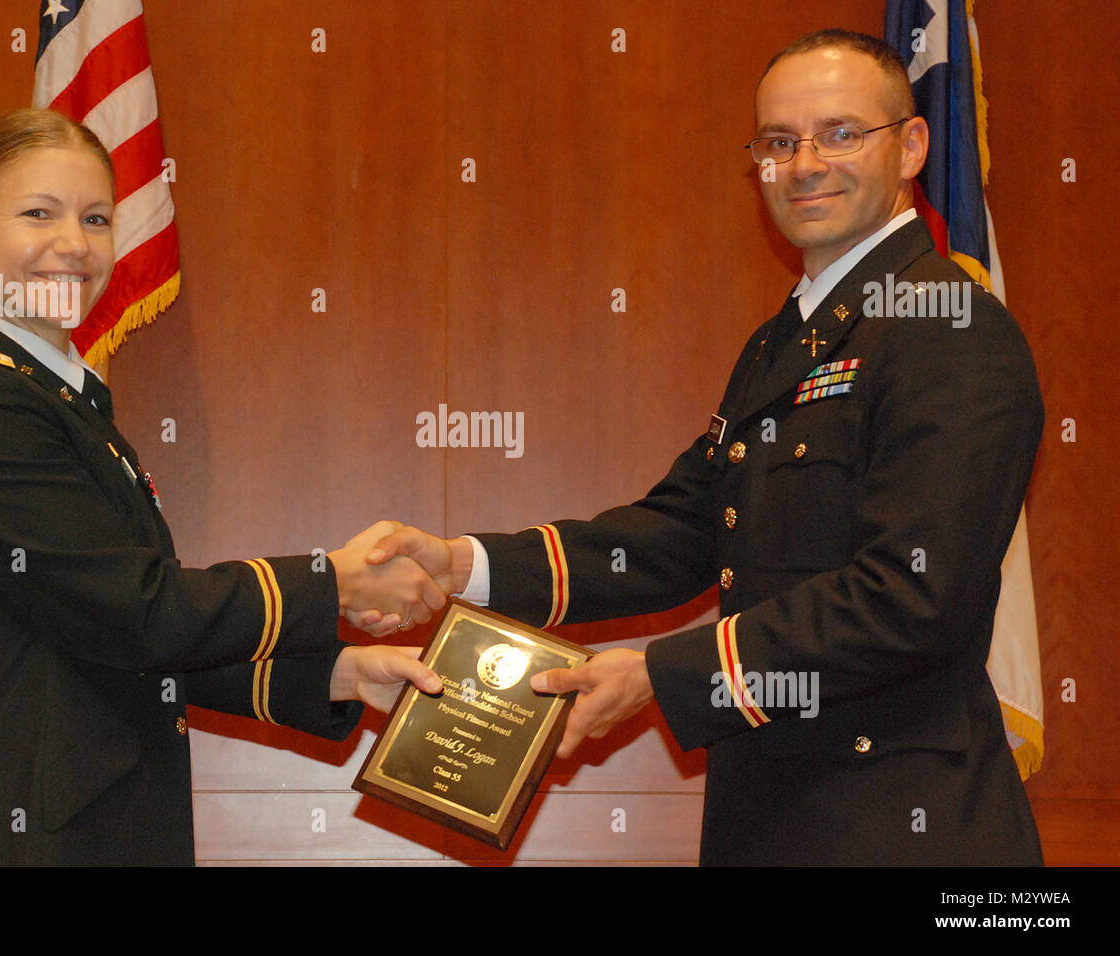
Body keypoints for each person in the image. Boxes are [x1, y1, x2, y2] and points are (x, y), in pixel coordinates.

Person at [361, 30, 1045, 865]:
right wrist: (462, 566)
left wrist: (662, 675)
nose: (805, 165)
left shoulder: (951, 326)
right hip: (770, 816)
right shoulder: (779, 342)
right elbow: (680, 533)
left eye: (840, 134)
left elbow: (912, 598)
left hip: (900, 825)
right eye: (778, 142)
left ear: (910, 146)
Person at [0, 108, 444, 865]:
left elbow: (116, 647)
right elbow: (138, 612)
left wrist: (336, 670)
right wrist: (328, 582)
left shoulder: (66, 406)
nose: (74, 244)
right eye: (37, 213)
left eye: (97, 217)